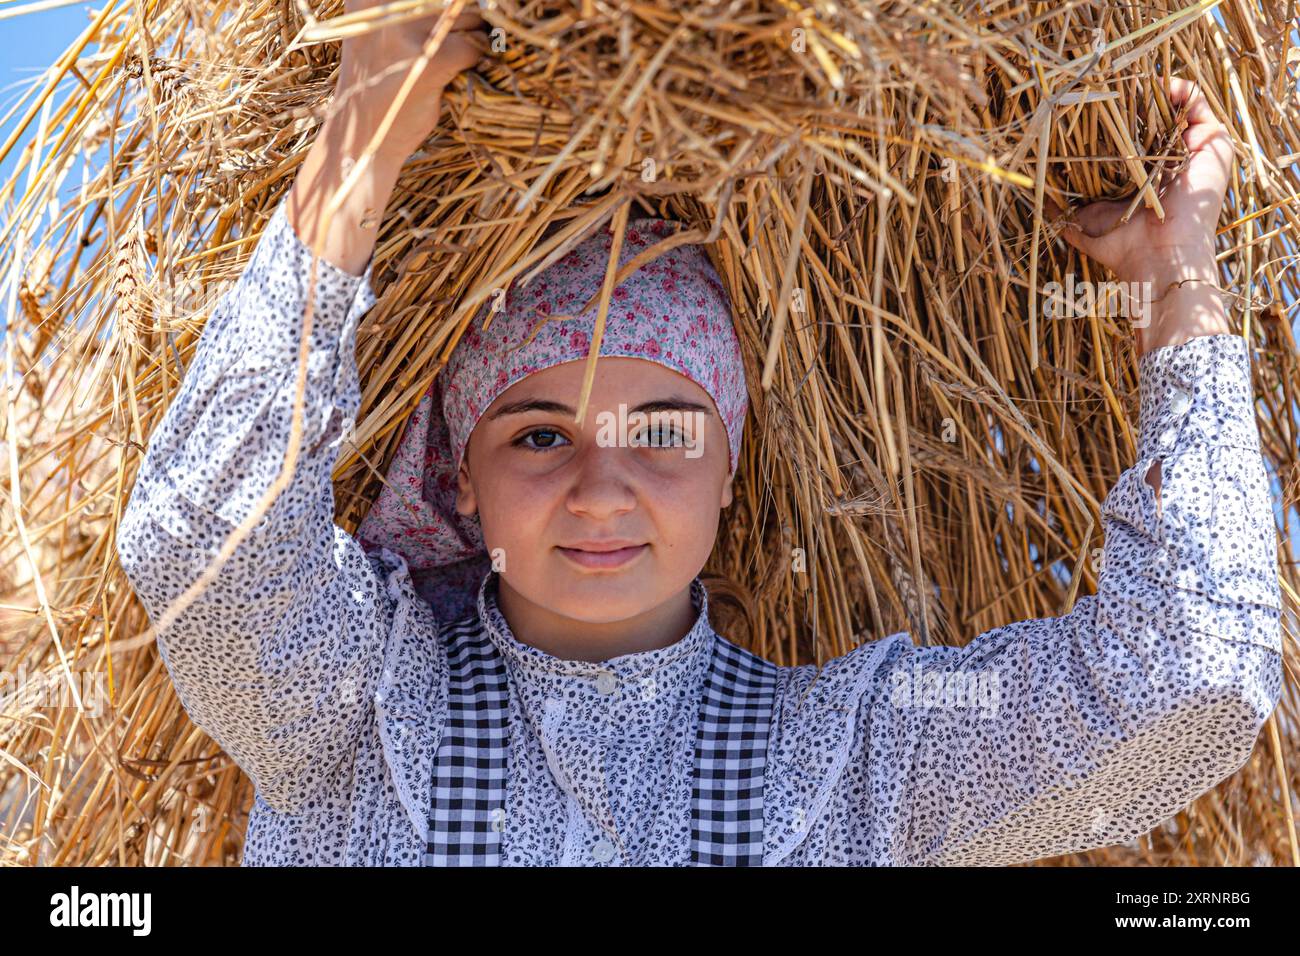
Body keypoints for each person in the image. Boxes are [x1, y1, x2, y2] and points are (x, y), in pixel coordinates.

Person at [115, 2, 1283, 865]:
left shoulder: (855, 763)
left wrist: (1175, 290)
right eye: (535, 437)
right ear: (456, 479)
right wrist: (355, 155)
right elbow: (202, 542)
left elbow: (1192, 679)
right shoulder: (349, 710)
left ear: (731, 468)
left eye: (664, 431)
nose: (602, 488)